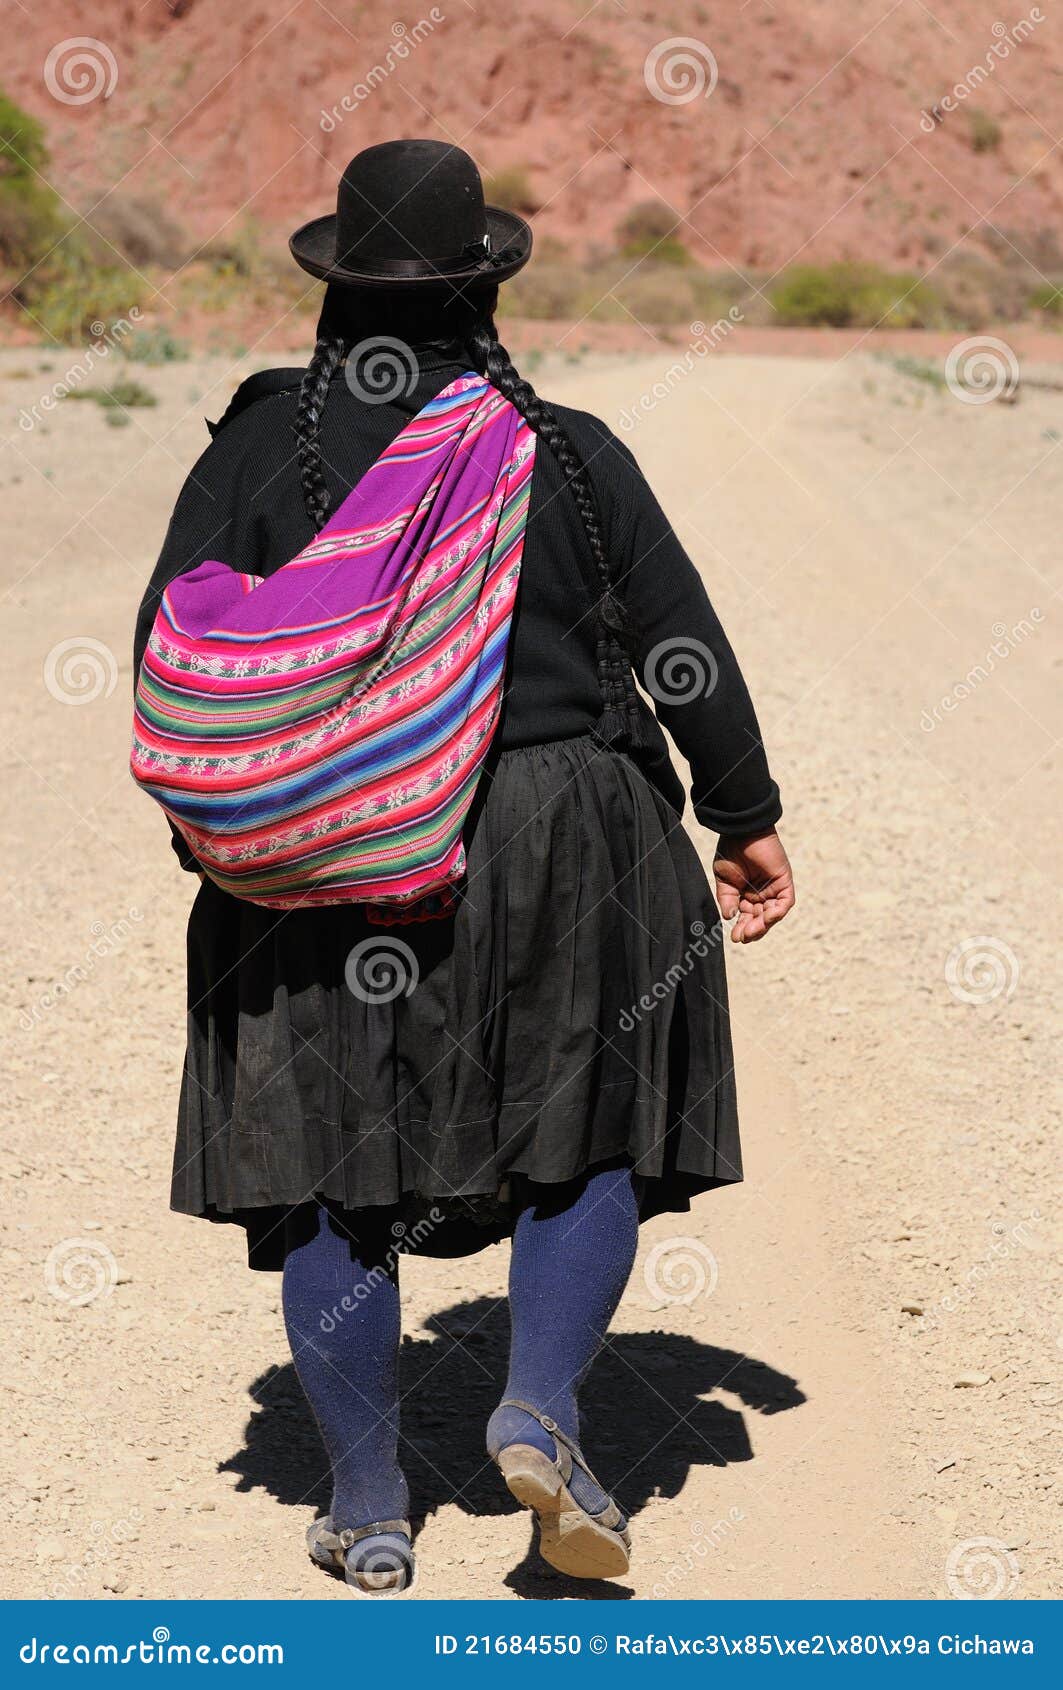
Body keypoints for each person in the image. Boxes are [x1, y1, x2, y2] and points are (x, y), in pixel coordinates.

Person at [132, 139, 794, 1594]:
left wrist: (225, 833)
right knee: (584, 1134)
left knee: (330, 1170)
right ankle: (537, 1408)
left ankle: (370, 1505)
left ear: (334, 292)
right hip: (567, 835)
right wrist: (742, 811)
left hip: (330, 850)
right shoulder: (566, 450)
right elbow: (684, 647)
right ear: (486, 292)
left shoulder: (254, 449)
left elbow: (171, 660)